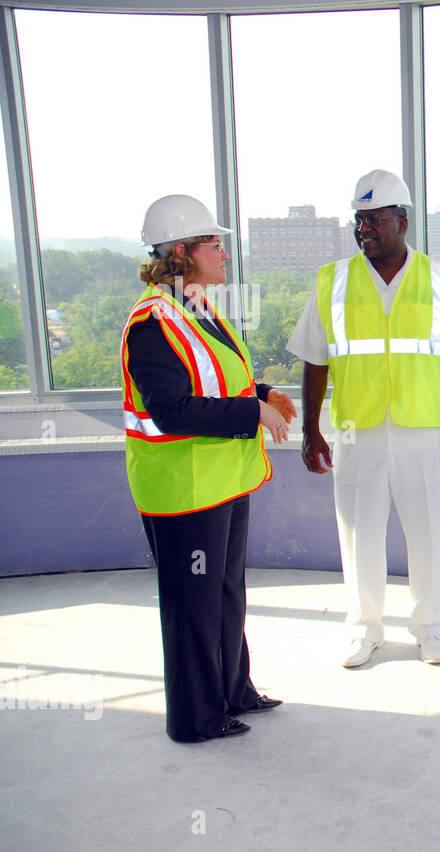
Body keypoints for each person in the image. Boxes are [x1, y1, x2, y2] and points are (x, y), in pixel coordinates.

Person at [289, 171, 440, 668]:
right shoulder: (332, 281)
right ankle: (364, 629)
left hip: (425, 431)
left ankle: (430, 628)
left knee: (426, 533)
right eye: (359, 220)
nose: (365, 230)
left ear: (402, 222)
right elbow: (315, 361)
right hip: (356, 431)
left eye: (375, 220)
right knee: (357, 534)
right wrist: (311, 429)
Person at [122, 194, 298, 741]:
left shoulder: (195, 308)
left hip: (223, 480)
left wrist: (264, 392)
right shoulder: (152, 323)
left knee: (224, 593)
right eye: (213, 243)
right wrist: (254, 411)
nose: (224, 252)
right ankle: (196, 718)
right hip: (183, 491)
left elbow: (213, 380)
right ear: (180, 252)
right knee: (192, 606)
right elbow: (171, 409)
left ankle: (233, 690)